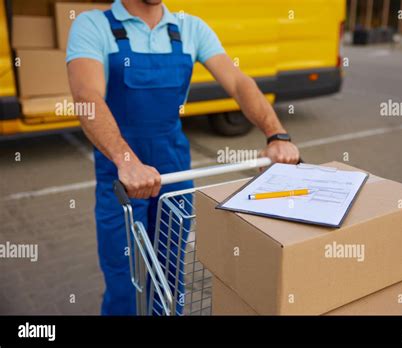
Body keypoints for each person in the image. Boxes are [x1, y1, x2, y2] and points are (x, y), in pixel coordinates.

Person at [67, 0, 300, 315]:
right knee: (124, 277)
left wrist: (276, 135)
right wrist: (126, 160)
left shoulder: (190, 28)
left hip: (173, 168)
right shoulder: (93, 25)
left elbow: (237, 82)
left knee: (171, 270)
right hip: (122, 176)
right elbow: (86, 96)